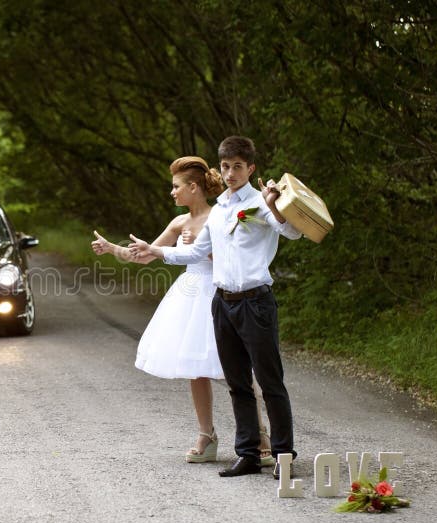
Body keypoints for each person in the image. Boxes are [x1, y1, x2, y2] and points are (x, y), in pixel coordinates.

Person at [128, 136, 301, 478]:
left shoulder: (262, 202)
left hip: (255, 301)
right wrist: (156, 250)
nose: (231, 173)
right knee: (237, 382)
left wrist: (274, 205)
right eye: (225, 166)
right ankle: (248, 454)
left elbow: (293, 232)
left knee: (269, 381)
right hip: (222, 302)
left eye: (238, 166)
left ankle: (283, 455)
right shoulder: (220, 208)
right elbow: (195, 252)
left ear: (250, 168)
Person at [91, 156, 275, 466]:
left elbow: (236, 257)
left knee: (239, 367)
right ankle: (206, 435)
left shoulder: (222, 213)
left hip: (223, 291)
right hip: (191, 296)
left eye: (176, 186)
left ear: (193, 187)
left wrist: (201, 247)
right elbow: (146, 255)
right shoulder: (178, 223)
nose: (172, 192)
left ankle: (260, 435)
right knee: (196, 368)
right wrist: (112, 248)